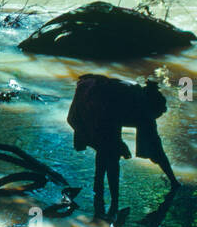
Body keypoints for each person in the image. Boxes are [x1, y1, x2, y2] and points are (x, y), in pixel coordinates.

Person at [68, 75, 178, 215]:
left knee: (107, 149)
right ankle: (113, 201)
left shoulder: (138, 99)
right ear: (151, 110)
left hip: (93, 95)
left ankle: (100, 191)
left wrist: (173, 181)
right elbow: (156, 151)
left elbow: (156, 149)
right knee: (112, 153)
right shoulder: (133, 105)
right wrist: (119, 143)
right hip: (91, 101)